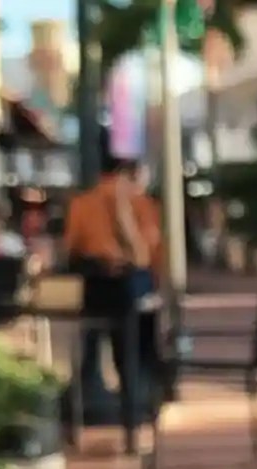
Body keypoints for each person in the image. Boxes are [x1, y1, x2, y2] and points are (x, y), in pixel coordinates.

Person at [63, 155, 165, 419]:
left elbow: (71, 248)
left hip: (95, 290)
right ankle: (136, 407)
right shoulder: (141, 204)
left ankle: (88, 407)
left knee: (91, 346)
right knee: (132, 351)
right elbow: (146, 256)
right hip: (131, 290)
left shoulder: (81, 204)